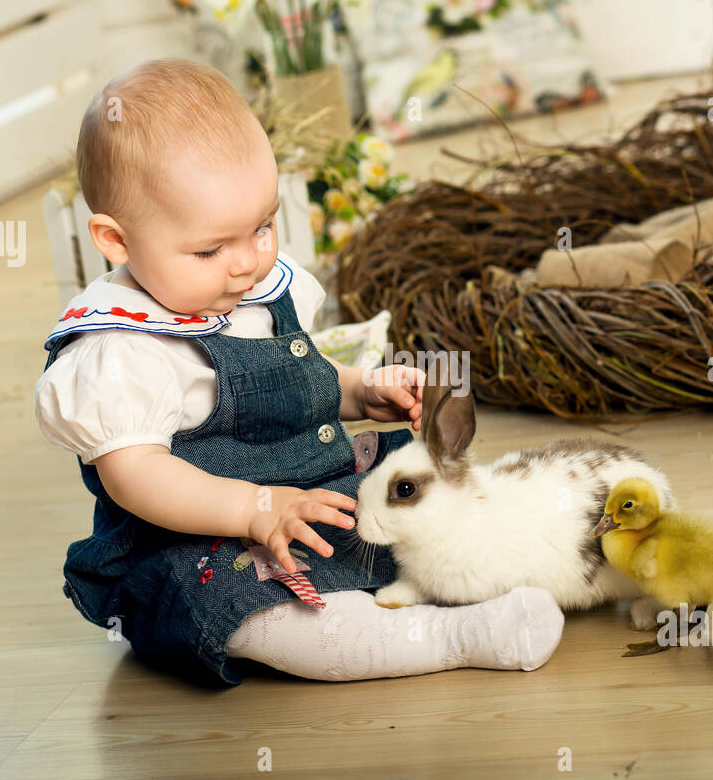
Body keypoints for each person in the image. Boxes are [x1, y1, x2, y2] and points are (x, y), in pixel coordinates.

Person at [34, 59, 563, 686]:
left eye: (262, 227)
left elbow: (292, 383)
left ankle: (485, 571)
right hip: (203, 543)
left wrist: (360, 391)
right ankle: (445, 637)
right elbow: (136, 477)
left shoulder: (255, 291)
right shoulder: (120, 352)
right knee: (269, 617)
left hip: (313, 493)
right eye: (209, 249)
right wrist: (254, 509)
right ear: (116, 242)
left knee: (411, 496)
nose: (245, 263)